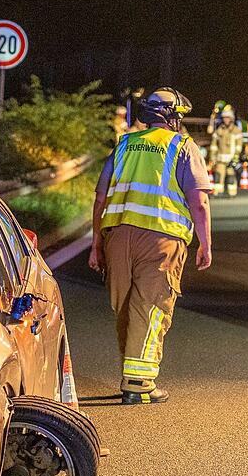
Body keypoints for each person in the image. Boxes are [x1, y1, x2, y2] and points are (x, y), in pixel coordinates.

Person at [89, 87, 213, 404]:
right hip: (162, 237)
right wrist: (205, 244)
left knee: (126, 307)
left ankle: (133, 373)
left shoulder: (125, 145)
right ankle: (139, 382)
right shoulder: (183, 146)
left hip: (117, 237)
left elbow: (100, 197)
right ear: (173, 117)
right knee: (152, 305)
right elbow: (198, 203)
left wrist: (96, 245)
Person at [208, 106, 245, 196]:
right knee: (218, 175)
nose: (226, 120)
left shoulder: (236, 130)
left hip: (231, 159)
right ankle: (218, 192)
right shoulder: (219, 130)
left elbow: (239, 146)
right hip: (220, 158)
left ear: (232, 119)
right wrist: (212, 157)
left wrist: (236, 157)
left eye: (228, 118)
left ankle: (232, 192)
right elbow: (214, 145)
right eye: (224, 118)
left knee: (231, 175)